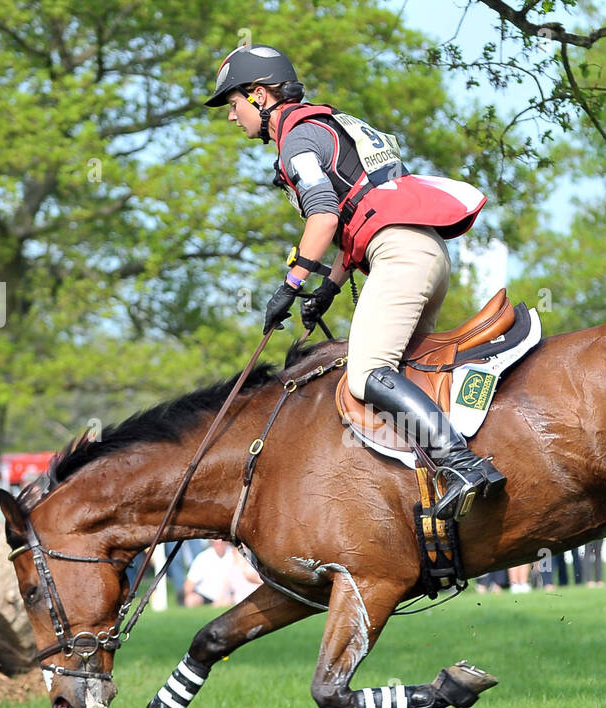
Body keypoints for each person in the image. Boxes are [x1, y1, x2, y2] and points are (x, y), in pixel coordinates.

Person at [205, 44, 500, 520]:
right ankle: (419, 493)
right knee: (402, 373)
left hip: (400, 256)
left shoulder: (297, 141)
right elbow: (356, 215)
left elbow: (322, 218)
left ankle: (463, 466)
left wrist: (291, 284)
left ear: (259, 95)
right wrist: (329, 287)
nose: (232, 117)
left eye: (233, 104)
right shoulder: (332, 125)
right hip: (423, 253)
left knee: (365, 374)